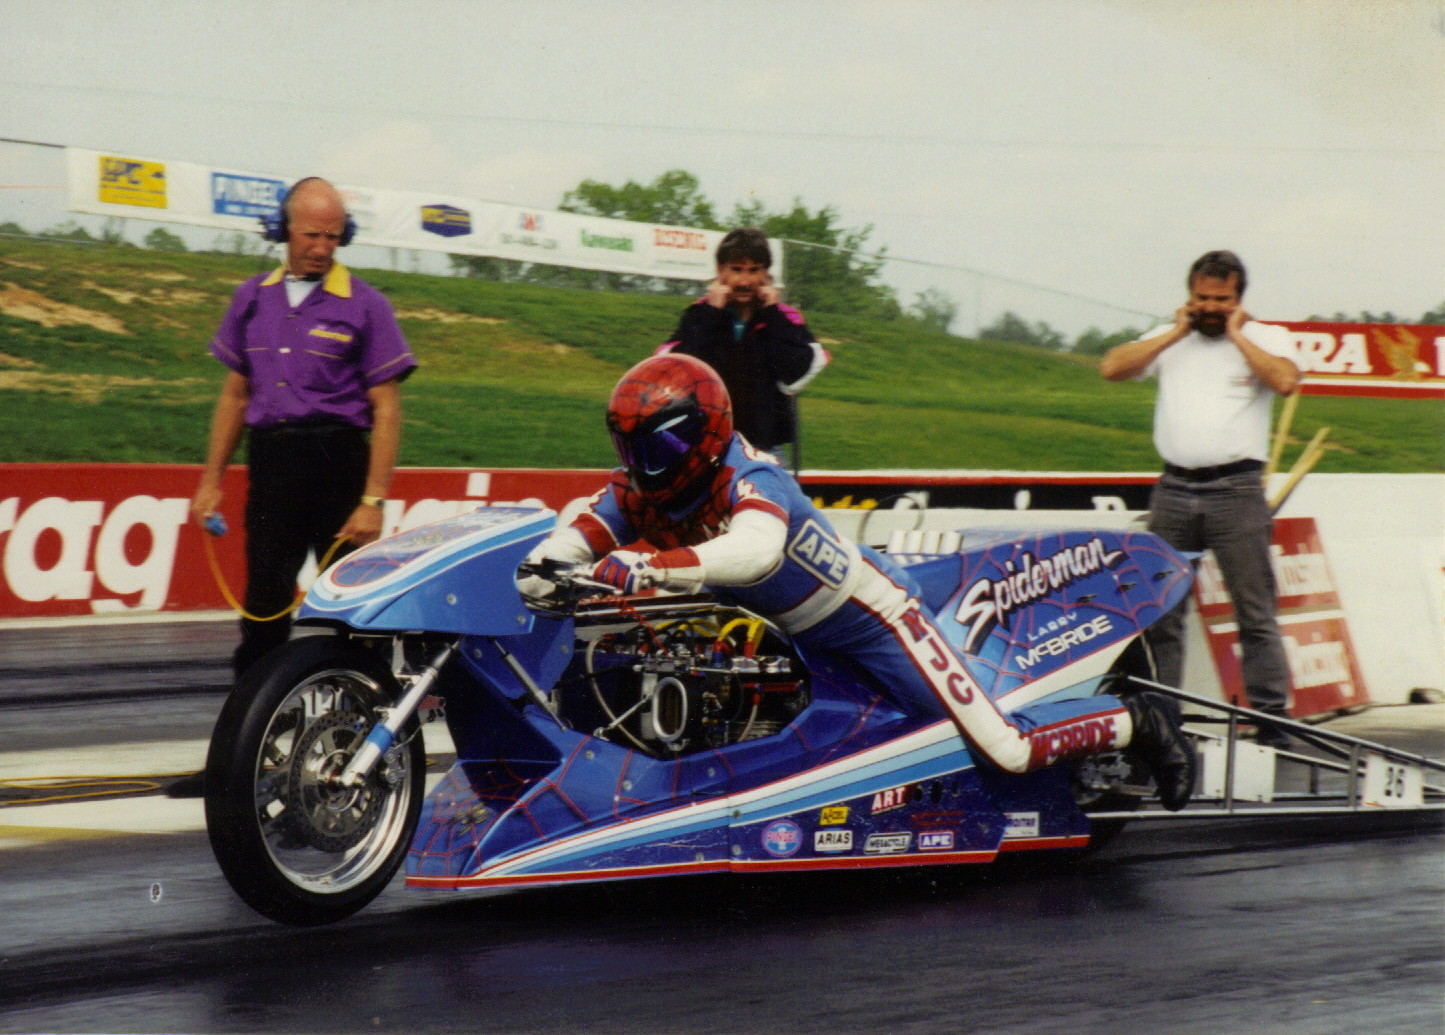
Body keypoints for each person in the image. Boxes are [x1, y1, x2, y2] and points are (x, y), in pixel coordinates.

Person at [525, 352, 1197, 810]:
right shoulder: (638, 490)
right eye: (631, 446)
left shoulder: (752, 476)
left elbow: (755, 553)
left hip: (872, 618)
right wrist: (546, 567)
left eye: (661, 445)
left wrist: (648, 565)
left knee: (1007, 748)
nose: (645, 463)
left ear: (704, 433)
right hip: (782, 636)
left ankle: (1133, 721)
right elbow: (575, 532)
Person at [191, 177, 417, 680]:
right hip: (273, 463)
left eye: (333, 237)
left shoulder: (366, 305)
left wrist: (373, 501)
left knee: (353, 607)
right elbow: (234, 395)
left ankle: (365, 716)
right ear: (283, 230)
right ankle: (254, 723)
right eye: (312, 235)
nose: (322, 248)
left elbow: (387, 409)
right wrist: (211, 482)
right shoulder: (252, 298)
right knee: (265, 603)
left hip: (340, 466)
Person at [1100, 250, 1300, 748]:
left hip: (1237, 490)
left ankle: (1271, 719)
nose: (1210, 307)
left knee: (1254, 610)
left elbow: (1286, 380)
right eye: (1202, 298)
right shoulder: (1170, 337)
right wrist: (1175, 332)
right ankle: (1162, 719)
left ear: (1238, 299)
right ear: (1189, 296)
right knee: (1162, 611)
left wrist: (1236, 334)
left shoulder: (1266, 339)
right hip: (1173, 489)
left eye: (1221, 299)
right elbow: (1112, 369)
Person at [659, 227, 828, 457]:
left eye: (754, 270)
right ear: (720, 272)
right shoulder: (699, 313)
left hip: (764, 448)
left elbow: (795, 374)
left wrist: (771, 313)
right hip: (706, 445)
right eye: (736, 270)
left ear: (766, 274)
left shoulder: (785, 317)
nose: (745, 281)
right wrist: (712, 313)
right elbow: (679, 370)